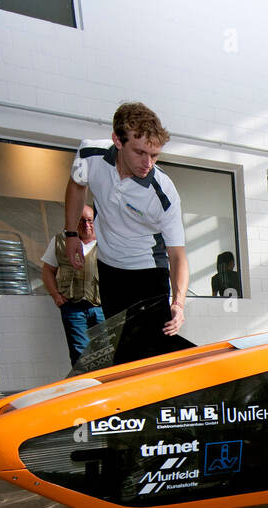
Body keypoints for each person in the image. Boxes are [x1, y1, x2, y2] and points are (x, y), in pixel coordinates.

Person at [64, 101, 191, 359]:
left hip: (148, 269)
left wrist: (178, 304)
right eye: (140, 152)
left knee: (155, 347)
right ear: (117, 141)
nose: (148, 163)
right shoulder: (90, 155)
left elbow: (177, 255)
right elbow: (77, 185)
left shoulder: (163, 192)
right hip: (109, 267)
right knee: (121, 348)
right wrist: (70, 234)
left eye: (154, 155)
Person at [41, 204, 103, 367]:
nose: (86, 225)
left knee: (106, 351)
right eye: (81, 221)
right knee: (80, 354)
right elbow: (48, 270)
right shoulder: (60, 241)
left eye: (90, 221)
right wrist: (55, 295)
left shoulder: (106, 241)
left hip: (101, 306)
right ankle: (86, 389)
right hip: (73, 307)